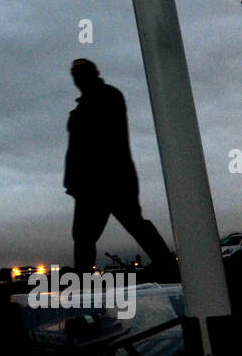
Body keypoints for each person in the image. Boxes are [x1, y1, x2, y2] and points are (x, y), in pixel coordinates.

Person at [63, 58, 179, 280]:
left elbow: (101, 141)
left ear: (94, 73)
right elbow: (76, 150)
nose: (78, 79)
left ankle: (165, 263)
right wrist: (72, 181)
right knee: (86, 234)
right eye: (75, 74)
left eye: (82, 73)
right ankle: (83, 275)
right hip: (92, 183)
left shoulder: (107, 97)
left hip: (110, 179)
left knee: (130, 223)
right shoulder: (83, 107)